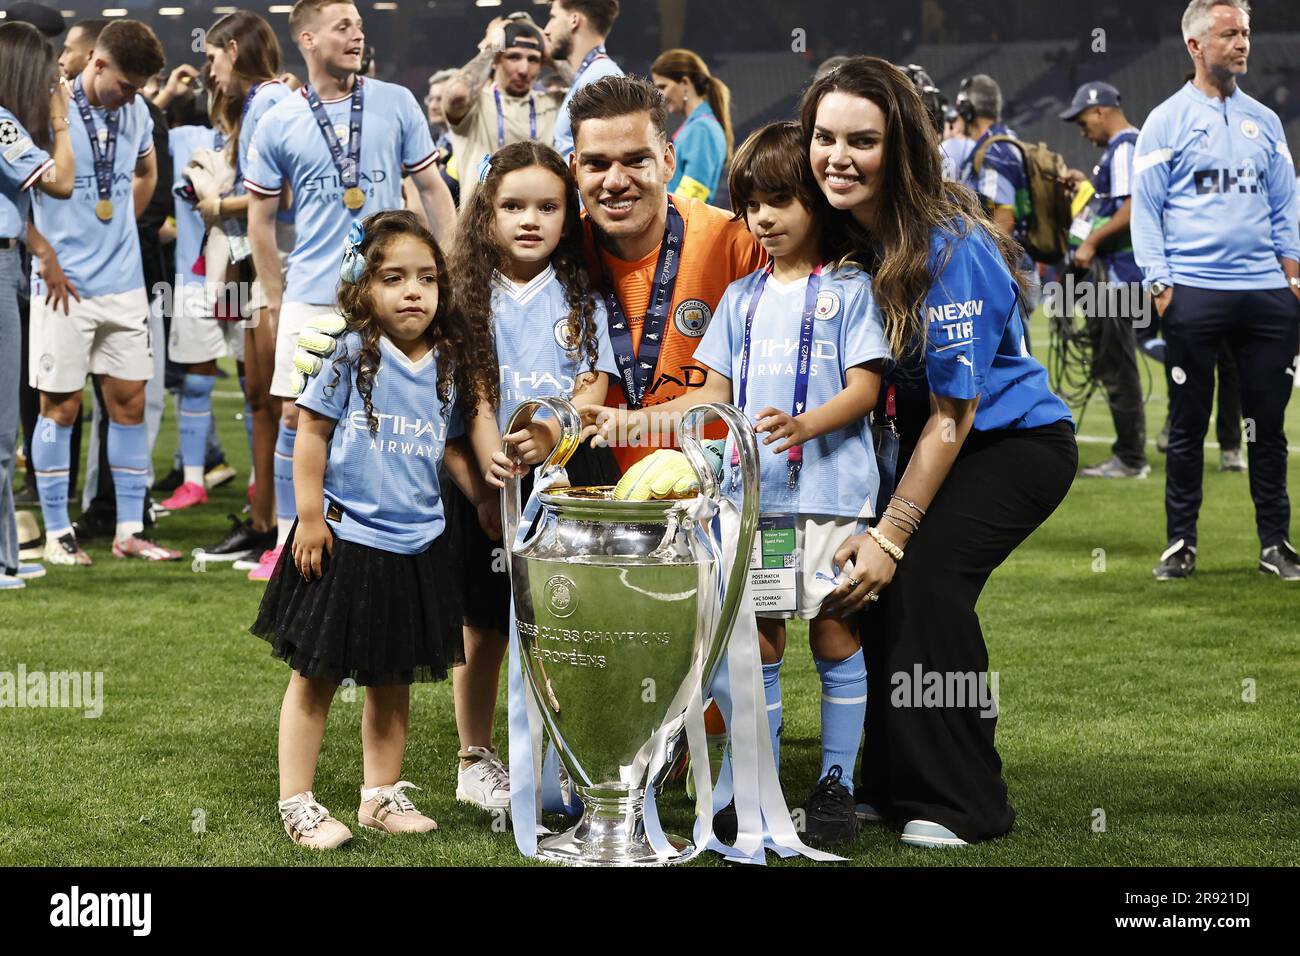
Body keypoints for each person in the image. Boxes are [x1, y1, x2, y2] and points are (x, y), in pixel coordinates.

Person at [582, 122, 890, 847]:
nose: (764, 219)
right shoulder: (742, 298)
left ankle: (837, 783)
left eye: (781, 201)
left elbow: (867, 387)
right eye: (751, 204)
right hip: (759, 505)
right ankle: (753, 780)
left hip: (833, 500)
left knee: (836, 632)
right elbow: (708, 398)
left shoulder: (848, 289)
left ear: (818, 202)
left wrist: (809, 424)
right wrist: (626, 425)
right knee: (760, 641)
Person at [807, 57, 1077, 847]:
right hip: (923, 440)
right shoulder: (837, 231)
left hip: (1010, 440)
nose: (838, 156)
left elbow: (953, 416)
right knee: (870, 594)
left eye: (863, 140)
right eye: (824, 137)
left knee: (922, 578)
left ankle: (965, 802)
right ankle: (889, 784)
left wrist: (892, 532)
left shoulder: (953, 245)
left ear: (904, 148)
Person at [251, 210, 499, 850]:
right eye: (393, 278)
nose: (412, 291)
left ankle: (380, 797)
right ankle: (298, 803)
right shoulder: (348, 353)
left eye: (426, 278)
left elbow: (448, 450)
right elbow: (310, 434)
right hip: (344, 542)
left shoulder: (446, 362)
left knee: (392, 682)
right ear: (364, 286)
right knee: (316, 678)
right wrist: (308, 518)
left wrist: (482, 503)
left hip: (417, 547)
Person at [241, 0, 455, 581]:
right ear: (307, 38)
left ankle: (384, 532)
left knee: (390, 410)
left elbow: (433, 190)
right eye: (343, 26)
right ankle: (292, 538)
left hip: (390, 286)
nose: (357, 34)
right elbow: (259, 220)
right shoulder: (278, 118)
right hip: (313, 291)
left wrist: (452, 265)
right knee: (295, 415)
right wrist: (275, 296)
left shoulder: (396, 101)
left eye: (360, 25)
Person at [441, 140, 620, 811]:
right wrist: (488, 490)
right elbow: (473, 398)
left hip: (571, 482)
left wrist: (554, 436)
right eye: (513, 205)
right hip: (486, 487)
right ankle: (475, 756)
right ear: (486, 212)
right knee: (483, 621)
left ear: (568, 217)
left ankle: (568, 753)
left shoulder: (581, 295)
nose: (529, 219)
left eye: (547, 206)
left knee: (570, 617)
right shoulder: (465, 298)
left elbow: (594, 385)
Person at [1131, 0, 1300, 581]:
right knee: (1187, 425)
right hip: (1194, 293)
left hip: (1265, 296)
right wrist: (1159, 283)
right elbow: (1146, 210)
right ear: (1195, 45)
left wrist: (1292, 277)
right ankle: (1181, 544)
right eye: (1230, 33)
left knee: (1268, 427)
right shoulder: (1165, 120)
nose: (1243, 43)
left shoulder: (1266, 122)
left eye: (1246, 32)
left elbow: (1285, 205)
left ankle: (1275, 545)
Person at [26, 18, 180, 564]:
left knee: (130, 406)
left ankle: (128, 530)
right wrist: (43, 252)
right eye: (126, 84)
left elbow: (146, 173)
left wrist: (118, 229)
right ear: (96, 64)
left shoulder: (136, 112)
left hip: (123, 285)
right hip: (62, 286)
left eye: (140, 87)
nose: (133, 96)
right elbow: (12, 191)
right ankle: (56, 533)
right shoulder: (48, 110)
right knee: (61, 408)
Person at [568, 75, 765, 472]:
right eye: (597, 164)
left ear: (668, 161)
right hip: (596, 499)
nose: (616, 181)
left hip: (711, 504)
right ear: (575, 169)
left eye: (637, 160)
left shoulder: (737, 243)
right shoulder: (560, 255)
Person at [181, 10, 293, 568]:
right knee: (258, 397)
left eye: (212, 58)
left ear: (232, 47)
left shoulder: (273, 102)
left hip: (278, 267)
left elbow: (284, 193)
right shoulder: (257, 103)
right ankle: (263, 522)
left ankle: (284, 530)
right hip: (252, 267)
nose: (209, 69)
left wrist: (216, 205)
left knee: (277, 399)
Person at [0, 20, 75, 590]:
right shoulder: (2, 125)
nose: (55, 76)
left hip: (11, 258)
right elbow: (62, 182)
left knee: (6, 431)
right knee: (3, 430)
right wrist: (59, 118)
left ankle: (5, 554)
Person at [1059, 81, 1149, 479]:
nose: (1083, 131)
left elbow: (1132, 208)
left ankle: (1131, 458)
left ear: (1099, 111)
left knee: (1117, 365)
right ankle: (1129, 453)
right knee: (1112, 362)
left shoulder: (1126, 146)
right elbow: (1110, 203)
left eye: (1083, 122)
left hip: (1117, 278)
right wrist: (1084, 188)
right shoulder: (1119, 152)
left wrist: (1091, 241)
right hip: (1112, 278)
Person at [441, 15, 562, 209]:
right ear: (496, 61)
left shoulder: (554, 103)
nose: (523, 69)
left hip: (537, 227)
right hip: (481, 230)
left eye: (533, 59)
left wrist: (552, 55)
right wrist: (491, 48)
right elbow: (457, 94)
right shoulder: (476, 104)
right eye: (513, 57)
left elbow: (599, 96)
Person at [544, 0, 623, 161]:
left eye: (553, 17)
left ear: (574, 20)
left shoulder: (600, 77)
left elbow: (604, 160)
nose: (546, 30)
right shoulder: (592, 75)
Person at [651, 48, 733, 204]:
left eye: (663, 87)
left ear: (685, 83)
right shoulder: (698, 126)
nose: (659, 95)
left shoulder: (702, 129)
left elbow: (692, 197)